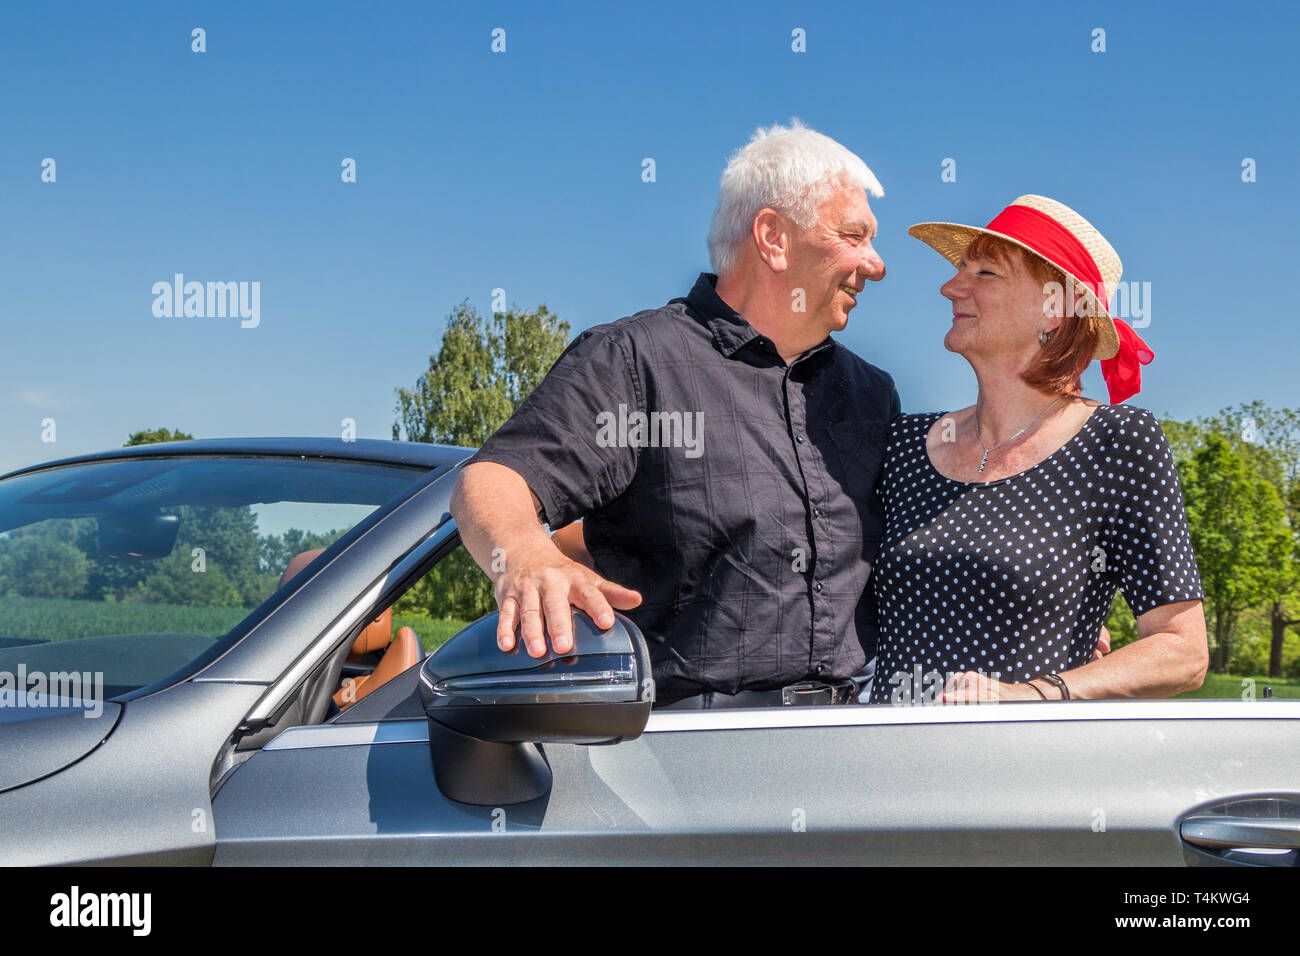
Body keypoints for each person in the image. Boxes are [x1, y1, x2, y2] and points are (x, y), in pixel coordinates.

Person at [450, 121, 897, 707]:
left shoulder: (870, 394)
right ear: (773, 237)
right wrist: (528, 556)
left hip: (857, 736)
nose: (877, 265)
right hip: (689, 746)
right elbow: (492, 480)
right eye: (854, 236)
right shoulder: (633, 361)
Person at [867, 195, 1208, 704]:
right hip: (881, 748)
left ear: (1053, 308)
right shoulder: (903, 443)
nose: (950, 286)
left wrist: (1030, 694)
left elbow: (1182, 650)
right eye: (961, 269)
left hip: (1023, 750)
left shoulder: (1116, 443)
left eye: (985, 273)